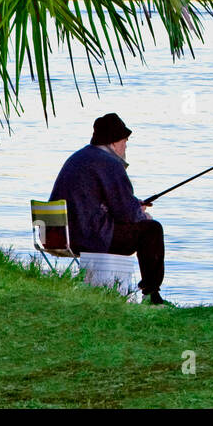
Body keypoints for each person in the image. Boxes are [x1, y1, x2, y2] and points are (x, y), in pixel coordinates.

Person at [50, 114, 167, 305]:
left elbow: (98, 202)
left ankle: (108, 290)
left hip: (57, 236)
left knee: (139, 225)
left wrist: (134, 205)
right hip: (88, 237)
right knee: (151, 229)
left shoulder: (78, 157)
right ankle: (151, 295)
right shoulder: (110, 163)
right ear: (114, 142)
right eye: (125, 141)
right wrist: (142, 213)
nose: (126, 147)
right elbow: (126, 213)